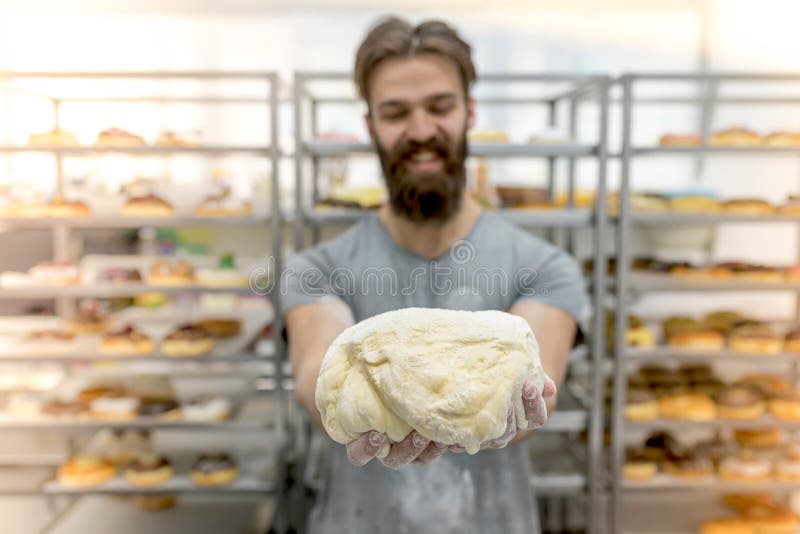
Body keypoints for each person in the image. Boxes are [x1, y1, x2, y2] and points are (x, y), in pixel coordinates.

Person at [283, 16, 589, 534]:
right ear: (371, 127)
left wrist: (518, 404)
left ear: (470, 112)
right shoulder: (317, 269)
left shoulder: (544, 266)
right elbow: (319, 377)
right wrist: (356, 406)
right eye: (396, 113)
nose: (421, 131)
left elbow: (536, 385)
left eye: (440, 107)